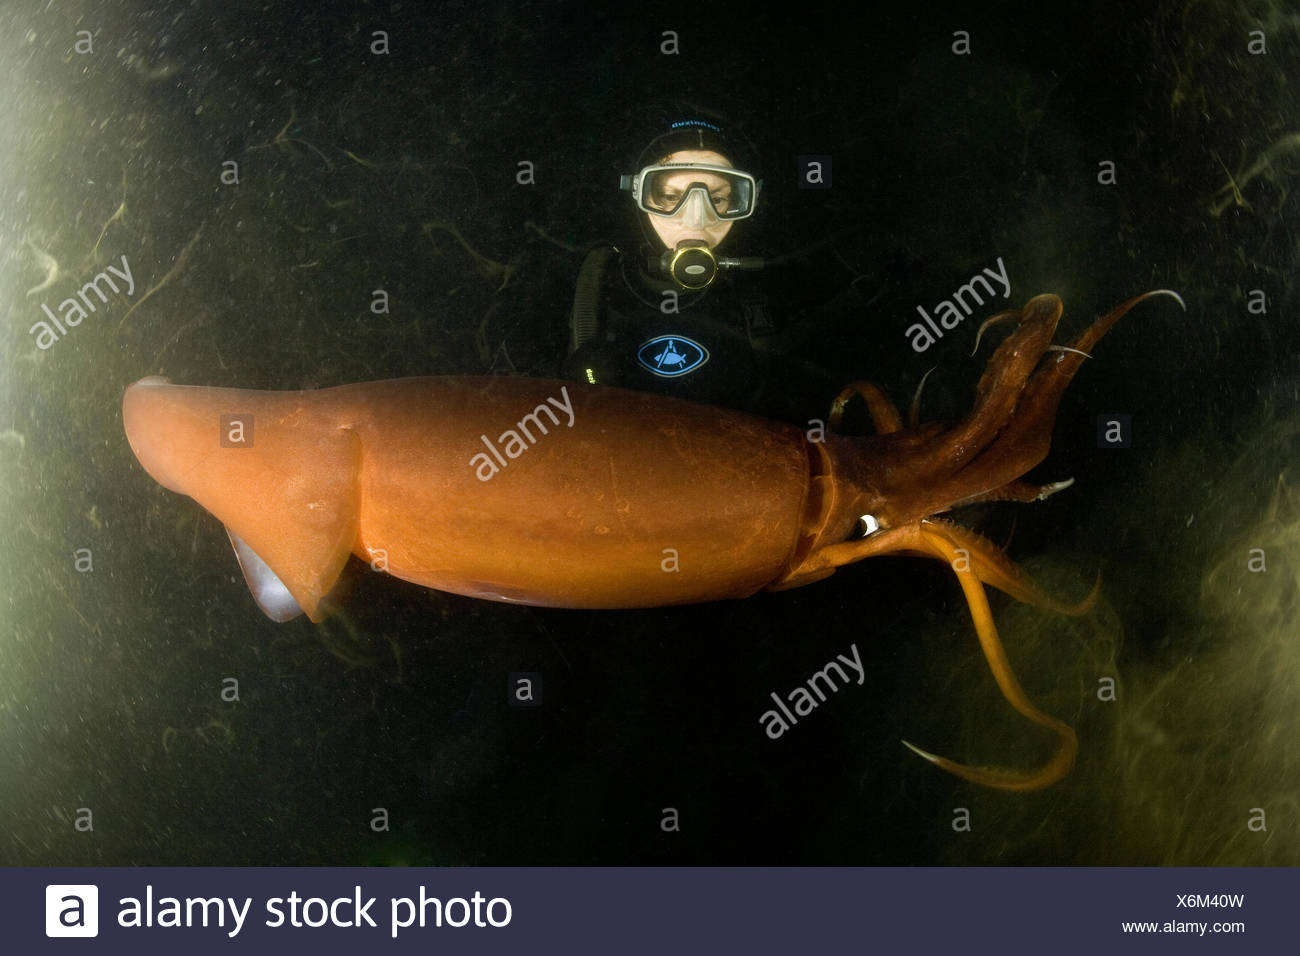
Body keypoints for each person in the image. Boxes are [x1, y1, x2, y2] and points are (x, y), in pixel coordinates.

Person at [562, 118, 788, 414]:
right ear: (637, 195)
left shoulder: (774, 286)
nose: (696, 218)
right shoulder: (590, 279)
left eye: (718, 198)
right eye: (670, 197)